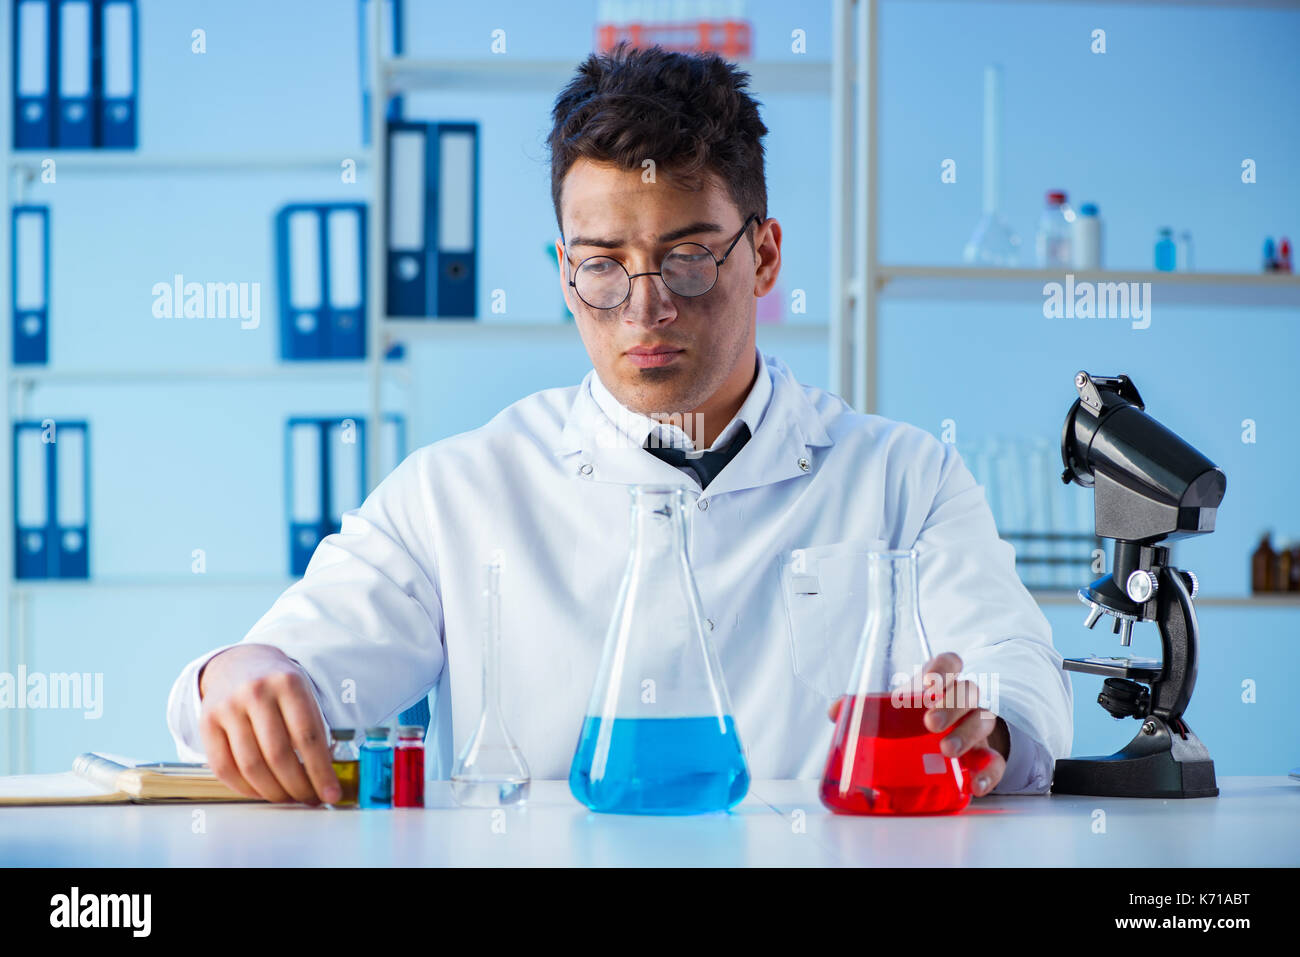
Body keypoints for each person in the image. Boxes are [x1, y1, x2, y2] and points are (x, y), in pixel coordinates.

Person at [167, 43, 1072, 807]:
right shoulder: (460, 491)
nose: (644, 310)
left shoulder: (901, 479)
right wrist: (234, 676)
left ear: (763, 255)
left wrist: (987, 718)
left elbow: (1022, 681)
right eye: (603, 266)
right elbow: (284, 671)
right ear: (564, 272)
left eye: (686, 259)